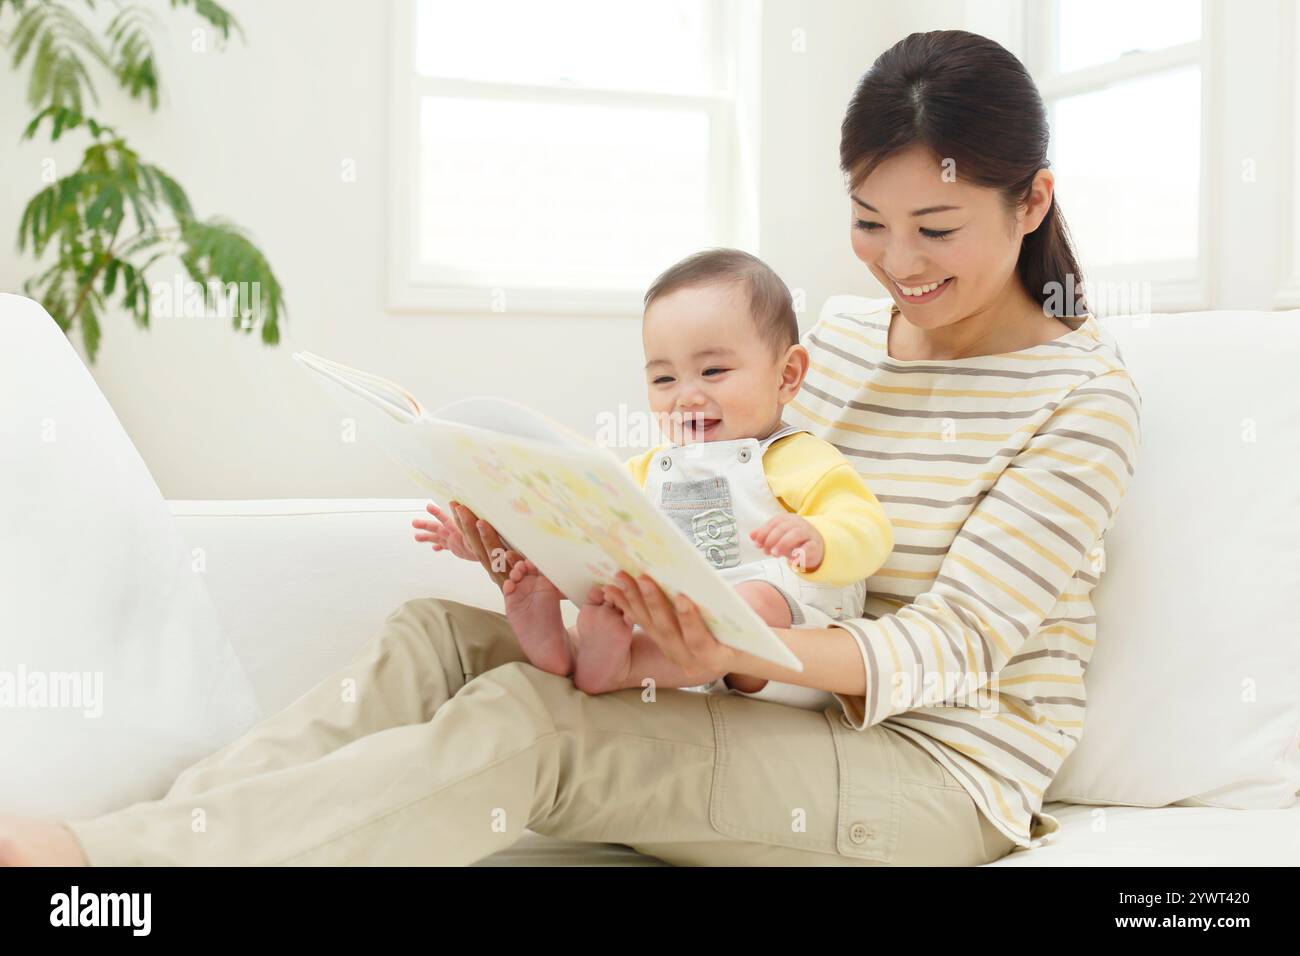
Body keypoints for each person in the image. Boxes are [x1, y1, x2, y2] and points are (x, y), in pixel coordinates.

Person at [1, 29, 1140, 866]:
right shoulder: (835, 341)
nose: (898, 263)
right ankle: (136, 841)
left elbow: (957, 645)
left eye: (936, 229)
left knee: (531, 723)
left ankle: (100, 872)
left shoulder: (1079, 400)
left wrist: (736, 648)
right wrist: (555, 546)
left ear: (1031, 198)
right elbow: (720, 498)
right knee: (435, 638)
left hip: (934, 771)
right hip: (766, 678)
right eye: (867, 221)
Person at [459, 248, 894, 713]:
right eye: (664, 379)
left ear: (787, 375)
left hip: (789, 638)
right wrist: (509, 537)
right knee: (616, 595)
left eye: (712, 371)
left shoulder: (798, 458)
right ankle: (566, 650)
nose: (687, 396)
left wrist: (820, 539)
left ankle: (623, 667)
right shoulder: (649, 471)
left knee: (750, 601)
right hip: (684, 630)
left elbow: (870, 531)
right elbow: (584, 531)